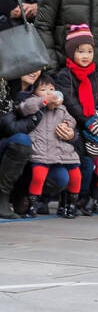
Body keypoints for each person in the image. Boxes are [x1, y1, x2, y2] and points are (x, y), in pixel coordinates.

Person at [53, 25, 98, 215]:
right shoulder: (65, 76)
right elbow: (69, 101)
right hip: (77, 127)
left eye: (89, 51)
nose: (86, 56)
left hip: (96, 126)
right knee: (79, 165)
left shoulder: (96, 74)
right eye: (80, 51)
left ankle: (92, 199)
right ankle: (71, 200)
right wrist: (86, 119)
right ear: (71, 52)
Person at [17, 69, 84, 217]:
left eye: (52, 89)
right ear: (34, 92)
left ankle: (70, 205)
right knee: (39, 176)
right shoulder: (33, 103)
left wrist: (67, 125)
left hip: (62, 151)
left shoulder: (61, 108)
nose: (49, 92)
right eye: (43, 89)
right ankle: (33, 205)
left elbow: (72, 120)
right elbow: (24, 108)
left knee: (76, 176)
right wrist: (44, 101)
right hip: (41, 150)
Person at [0, 73, 38, 218]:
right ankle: (3, 199)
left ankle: (22, 196)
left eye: (37, 67)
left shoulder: (43, 91)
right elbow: (10, 127)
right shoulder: (4, 87)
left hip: (35, 153)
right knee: (22, 140)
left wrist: (70, 134)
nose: (33, 71)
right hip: (6, 144)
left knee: (59, 177)